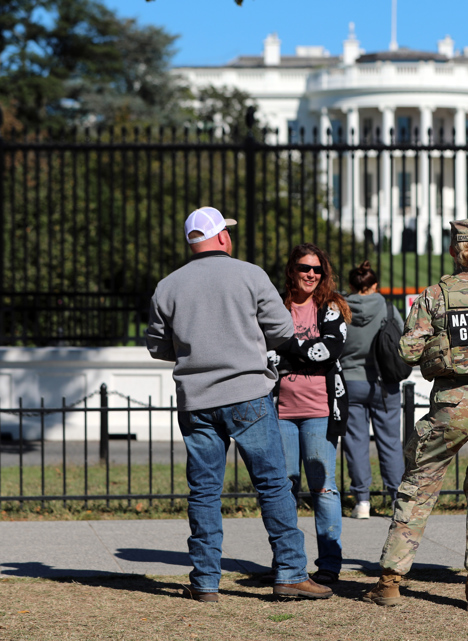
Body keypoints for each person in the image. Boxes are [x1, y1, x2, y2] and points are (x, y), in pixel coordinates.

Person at [145, 206, 331, 601]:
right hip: (247, 393)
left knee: (204, 491)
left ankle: (206, 581)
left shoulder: (169, 285)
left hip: (196, 400)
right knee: (272, 485)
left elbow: (158, 347)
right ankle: (290, 572)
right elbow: (281, 330)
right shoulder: (250, 275)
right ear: (222, 237)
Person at [365, 219, 468, 612]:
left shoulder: (434, 297)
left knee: (419, 487)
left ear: (453, 252)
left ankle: (390, 581)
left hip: (451, 407)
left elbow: (406, 352)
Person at [269, 243, 351, 585]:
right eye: (304, 268)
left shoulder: (331, 308)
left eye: (317, 269)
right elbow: (264, 351)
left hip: (320, 410)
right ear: (292, 269)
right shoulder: (276, 306)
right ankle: (288, 563)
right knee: (283, 487)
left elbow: (328, 350)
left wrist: (288, 349)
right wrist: (301, 352)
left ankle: (329, 565)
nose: (311, 275)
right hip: (281, 411)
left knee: (324, 488)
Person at [340, 260, 405, 520]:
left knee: (355, 442)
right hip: (384, 382)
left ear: (351, 285)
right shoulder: (387, 307)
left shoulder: (341, 308)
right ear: (375, 285)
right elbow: (402, 337)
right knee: (390, 442)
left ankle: (362, 501)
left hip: (350, 382)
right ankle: (395, 498)